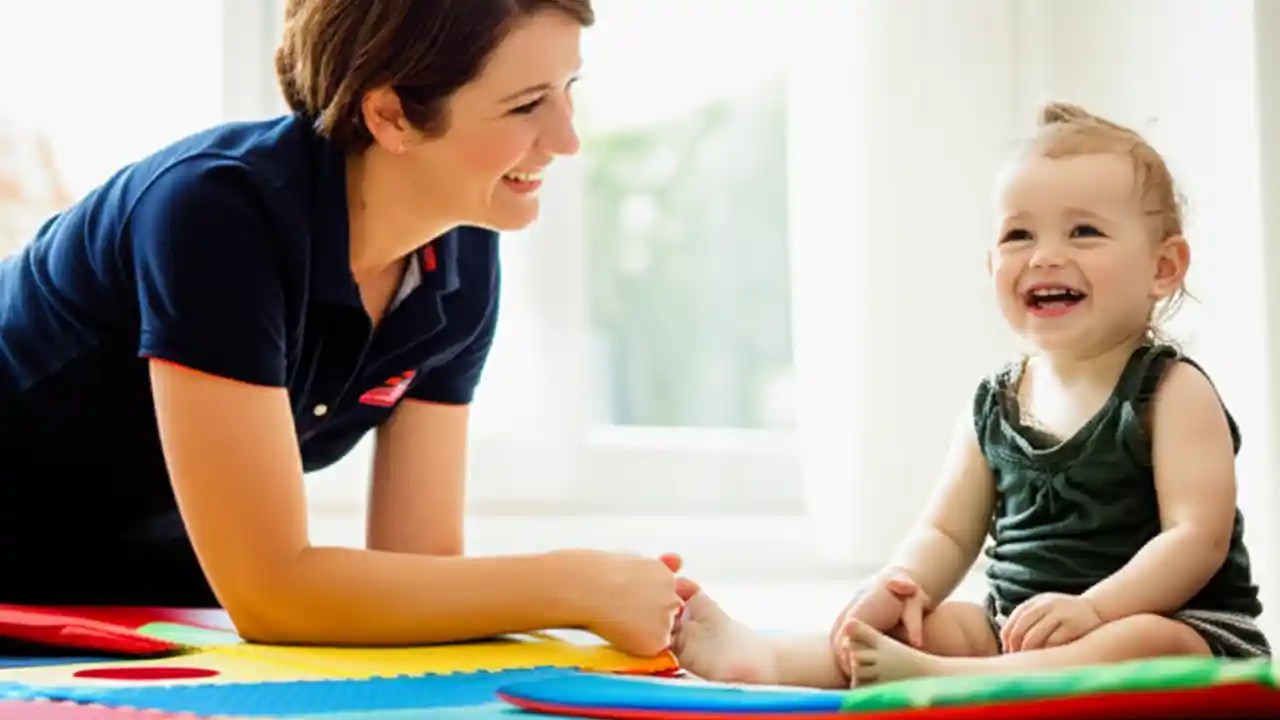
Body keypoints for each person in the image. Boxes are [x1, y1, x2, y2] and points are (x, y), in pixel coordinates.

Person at [0, 0, 689, 656]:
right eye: (527, 104)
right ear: (390, 115)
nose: (568, 140)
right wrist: (574, 586)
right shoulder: (214, 213)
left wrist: (620, 603)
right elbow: (273, 592)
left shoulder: (461, 254)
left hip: (130, 587)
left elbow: (417, 562)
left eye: (568, 88)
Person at [672, 102, 1271, 687]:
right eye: (1018, 234)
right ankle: (773, 663)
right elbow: (948, 534)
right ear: (990, 265)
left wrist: (1096, 609)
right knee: (923, 627)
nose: (1045, 255)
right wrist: (900, 583)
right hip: (1018, 630)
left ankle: (954, 680)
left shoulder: (1171, 391)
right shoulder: (995, 405)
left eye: (1084, 230)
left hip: (1177, 628)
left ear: (1163, 268)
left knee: (1142, 642)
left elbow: (1197, 539)